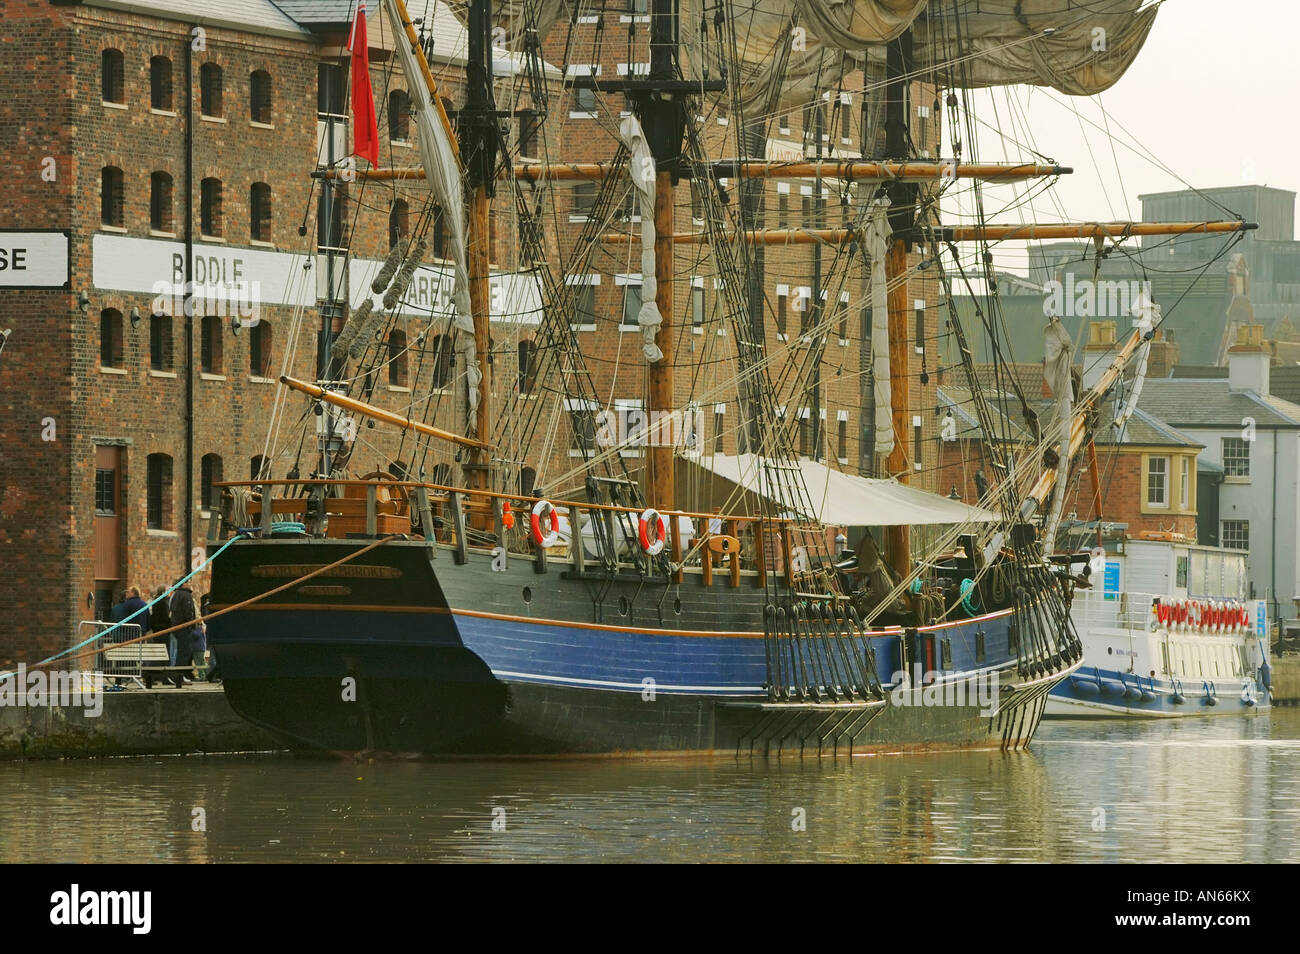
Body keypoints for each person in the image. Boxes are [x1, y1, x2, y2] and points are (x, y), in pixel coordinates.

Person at [168, 578, 198, 687]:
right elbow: (188, 612)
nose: (190, 584)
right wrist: (192, 625)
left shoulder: (175, 595)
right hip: (184, 627)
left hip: (176, 626)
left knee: (181, 651)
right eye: (188, 582)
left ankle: (178, 675)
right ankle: (178, 676)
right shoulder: (186, 595)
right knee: (184, 652)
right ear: (183, 583)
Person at [147, 586, 171, 690]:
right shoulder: (163, 602)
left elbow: (152, 617)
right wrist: (170, 624)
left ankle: (154, 677)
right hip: (164, 630)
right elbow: (166, 616)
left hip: (156, 631)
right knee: (165, 655)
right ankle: (165, 677)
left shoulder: (155, 601)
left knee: (157, 654)